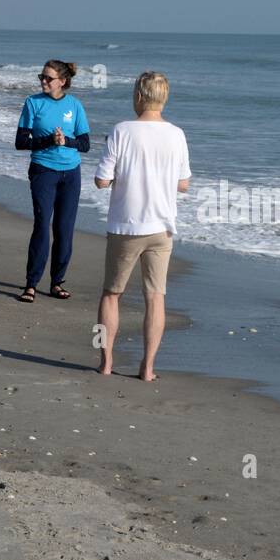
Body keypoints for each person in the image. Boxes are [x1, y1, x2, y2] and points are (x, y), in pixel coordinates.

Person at [93, 72, 190, 381]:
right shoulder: (177, 134)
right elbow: (183, 184)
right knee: (155, 297)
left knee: (111, 294)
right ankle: (147, 368)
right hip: (162, 227)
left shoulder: (122, 131)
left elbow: (101, 180)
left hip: (126, 225)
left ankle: (106, 362)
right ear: (164, 97)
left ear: (138, 96)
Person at [14, 59, 90, 302]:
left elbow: (85, 144)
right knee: (42, 226)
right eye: (41, 77)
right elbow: (21, 142)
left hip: (71, 174)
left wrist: (65, 141)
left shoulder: (75, 106)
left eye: (48, 78)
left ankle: (57, 282)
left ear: (63, 81)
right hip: (43, 171)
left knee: (64, 230)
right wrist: (49, 141)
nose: (43, 81)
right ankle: (31, 284)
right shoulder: (33, 103)